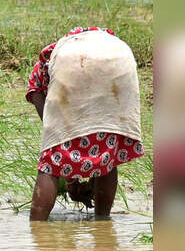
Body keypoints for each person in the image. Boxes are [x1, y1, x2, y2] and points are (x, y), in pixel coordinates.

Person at [25, 27, 144, 220]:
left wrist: (64, 163)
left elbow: (50, 122)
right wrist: (74, 177)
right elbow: (95, 129)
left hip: (72, 61)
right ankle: (102, 221)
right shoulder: (104, 42)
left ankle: (37, 228)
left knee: (51, 163)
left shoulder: (42, 69)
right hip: (119, 59)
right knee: (108, 153)